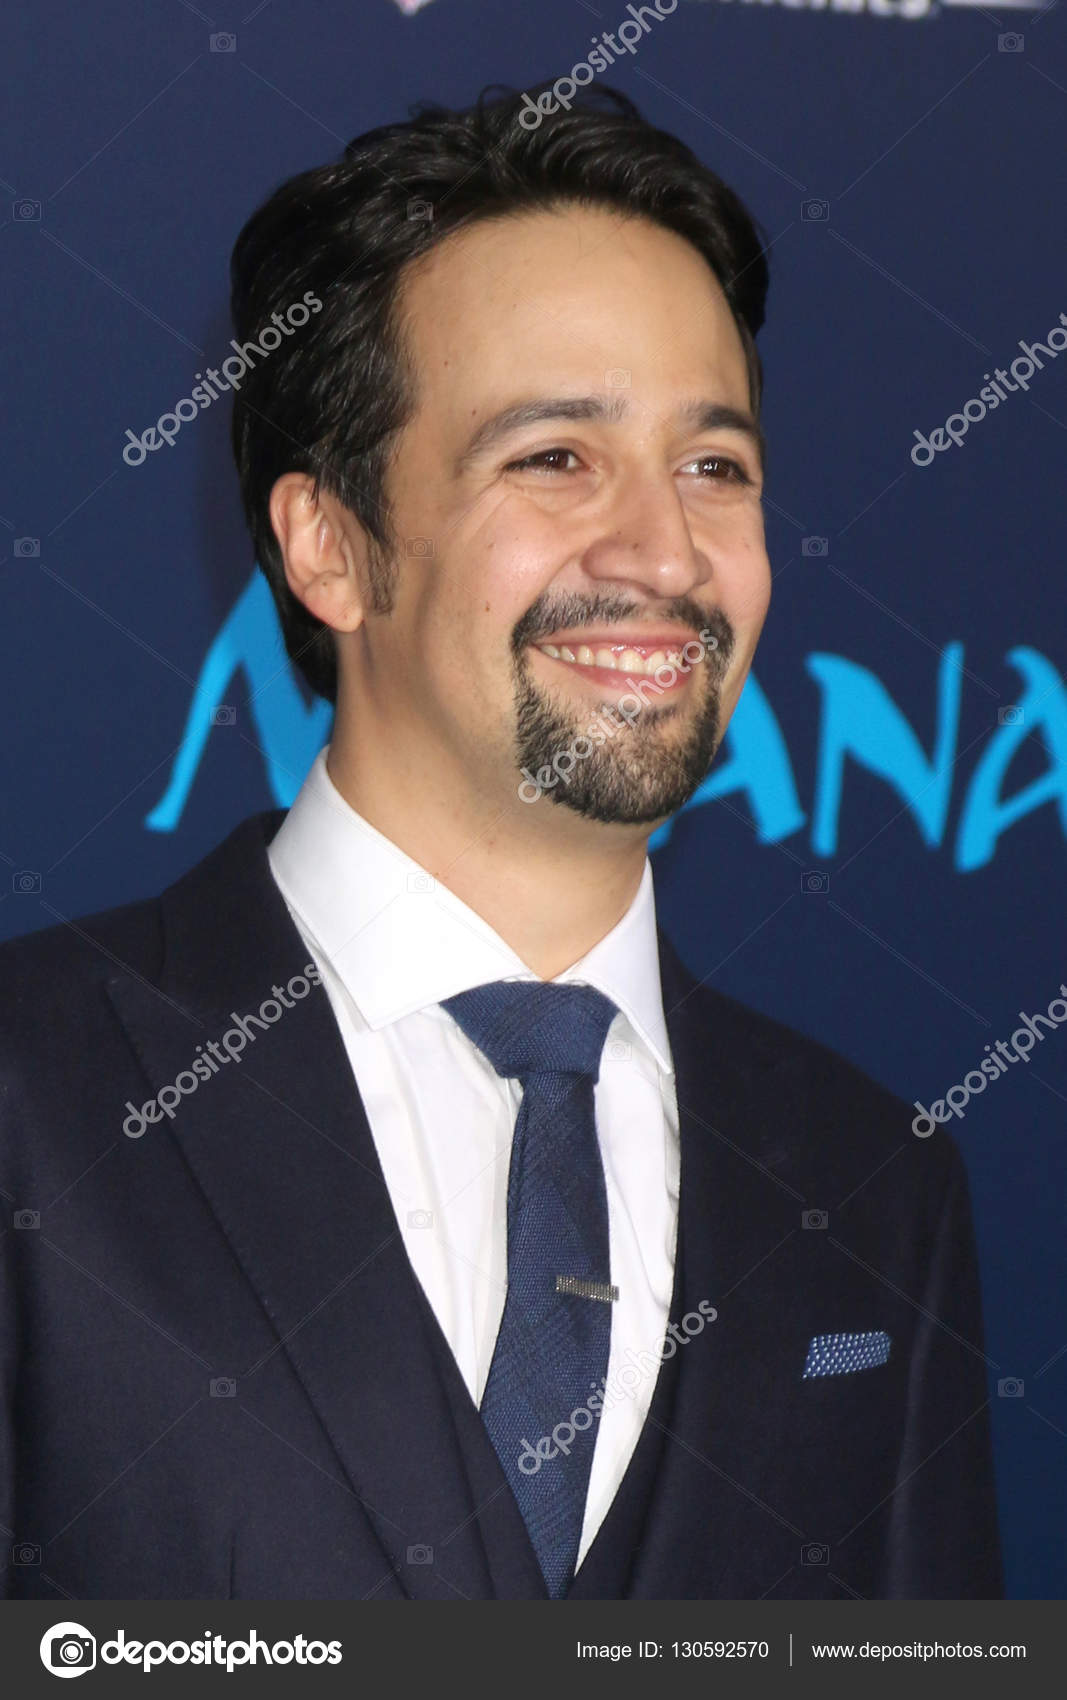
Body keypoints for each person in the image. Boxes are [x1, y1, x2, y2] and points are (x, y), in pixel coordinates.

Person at [0, 86, 1000, 1601]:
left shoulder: (872, 1184)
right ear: (329, 543)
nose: (666, 552)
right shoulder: (33, 1090)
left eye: (714, 467)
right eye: (554, 457)